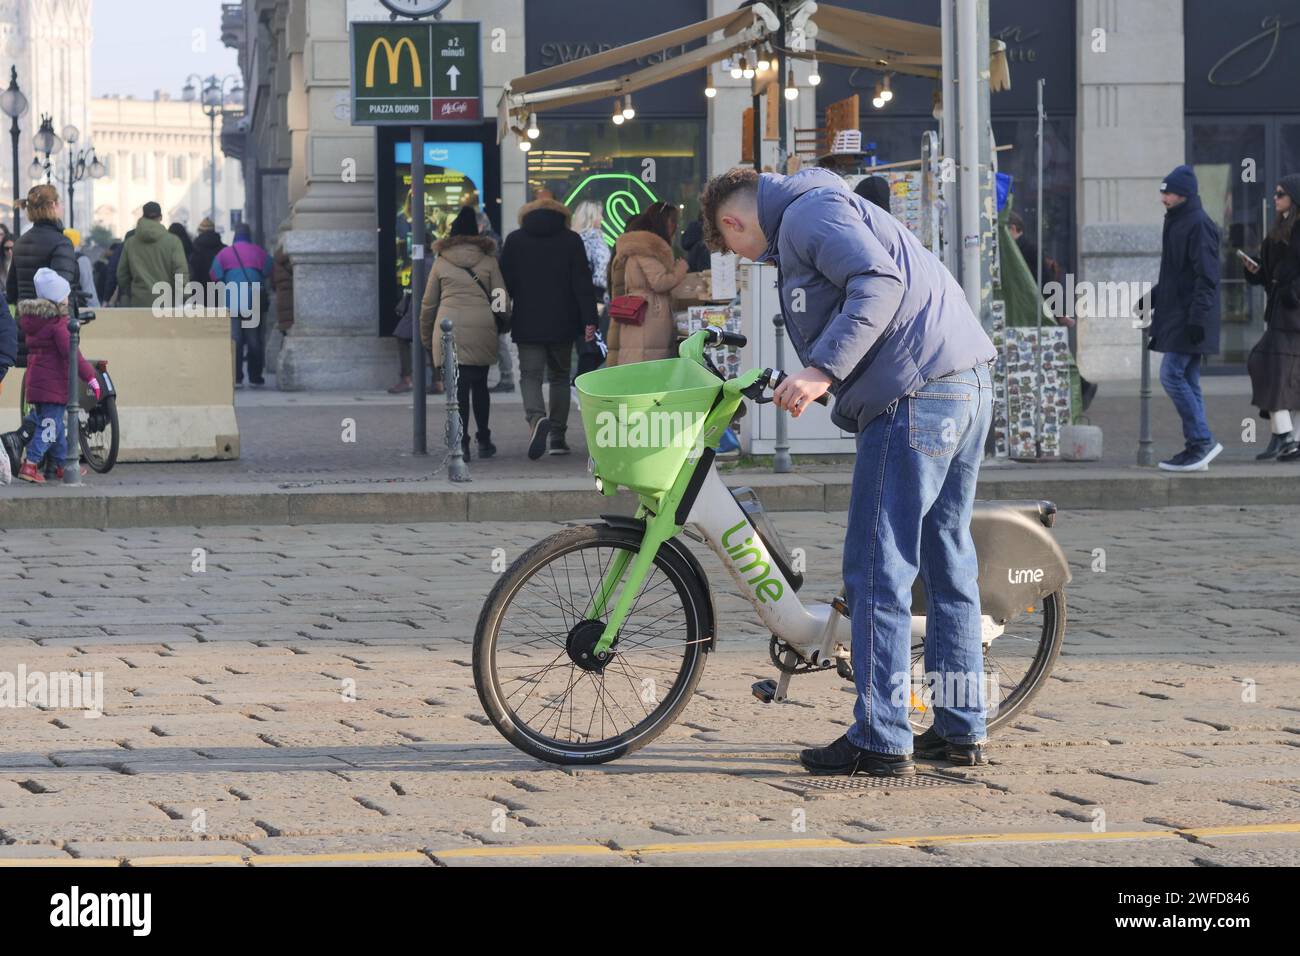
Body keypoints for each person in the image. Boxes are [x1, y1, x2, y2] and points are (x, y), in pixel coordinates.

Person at [701, 166, 997, 776]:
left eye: (735, 247)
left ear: (733, 222)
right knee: (946, 561)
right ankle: (960, 727)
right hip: (962, 382)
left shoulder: (808, 214)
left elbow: (877, 284)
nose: (750, 258)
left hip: (912, 396)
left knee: (877, 567)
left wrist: (821, 372)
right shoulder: (824, 204)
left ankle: (882, 737)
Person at [499, 193, 598, 459]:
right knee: (559, 377)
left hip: (527, 320)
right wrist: (590, 319)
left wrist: (499, 316)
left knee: (530, 375)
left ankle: (536, 419)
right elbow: (582, 284)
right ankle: (557, 436)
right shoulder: (571, 240)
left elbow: (502, 284)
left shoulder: (515, 240)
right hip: (563, 322)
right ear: (562, 216)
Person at [1149, 165, 1223, 472]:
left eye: (1168, 193)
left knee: (1172, 375)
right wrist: (1151, 298)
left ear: (1184, 195)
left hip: (1189, 317)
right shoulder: (1177, 221)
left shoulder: (1198, 224)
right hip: (1180, 314)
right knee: (1188, 379)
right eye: (1163, 192)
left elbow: (1206, 277)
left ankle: (1202, 441)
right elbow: (1175, 274)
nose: (1163, 198)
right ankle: (1198, 447)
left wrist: (1197, 319)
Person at [421, 207, 505, 460]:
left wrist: (427, 336)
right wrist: (503, 322)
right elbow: (500, 298)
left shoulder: (441, 262)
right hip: (482, 327)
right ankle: (484, 439)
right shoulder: (489, 261)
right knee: (480, 385)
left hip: (448, 330)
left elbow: (428, 304)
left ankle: (462, 444)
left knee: (457, 390)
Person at [15, 268, 99, 483]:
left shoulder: (36, 321)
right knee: (50, 427)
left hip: (37, 380)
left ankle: (62, 464)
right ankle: (30, 464)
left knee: (55, 424)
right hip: (53, 383)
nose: (68, 297)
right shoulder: (58, 325)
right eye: (65, 294)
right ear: (57, 298)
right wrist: (90, 377)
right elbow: (73, 355)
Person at [1244, 173, 1300, 461]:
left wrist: (1292, 292)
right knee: (1274, 371)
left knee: (1271, 368)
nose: (1275, 198)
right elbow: (1269, 275)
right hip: (1280, 314)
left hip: (1292, 314)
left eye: (1281, 193)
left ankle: (1288, 437)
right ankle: (1286, 437)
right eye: (1275, 194)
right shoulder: (1278, 229)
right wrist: (1255, 271)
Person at [606, 201, 688, 367]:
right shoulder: (646, 250)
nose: (675, 228)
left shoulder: (637, 248)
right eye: (673, 223)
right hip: (648, 316)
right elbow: (659, 282)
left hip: (640, 315)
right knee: (646, 370)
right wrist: (681, 269)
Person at [6, 185, 80, 367]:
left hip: (25, 327)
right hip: (54, 330)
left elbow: (11, 291)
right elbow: (60, 291)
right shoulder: (62, 243)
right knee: (57, 388)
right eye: (60, 202)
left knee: (33, 383)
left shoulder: (20, 243)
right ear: (53, 205)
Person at [211, 223, 272, 388]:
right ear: (249, 235)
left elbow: (215, 275)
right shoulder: (258, 252)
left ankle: (236, 377)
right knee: (254, 339)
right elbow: (268, 270)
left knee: (235, 339)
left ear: (235, 236)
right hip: (253, 300)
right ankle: (255, 377)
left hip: (233, 300)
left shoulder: (224, 253)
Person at [115, 201, 189, 308]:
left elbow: (121, 274)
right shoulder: (173, 242)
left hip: (139, 303)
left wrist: (131, 292)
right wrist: (183, 298)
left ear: (143, 216)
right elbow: (180, 273)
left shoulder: (130, 243)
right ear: (161, 217)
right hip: (167, 303)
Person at [62, 229, 100, 308]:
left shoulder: (57, 257)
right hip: (78, 307)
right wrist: (96, 308)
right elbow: (88, 287)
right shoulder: (81, 259)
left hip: (61, 306)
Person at [189, 218, 224, 291]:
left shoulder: (193, 249)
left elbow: (192, 274)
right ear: (214, 230)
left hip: (199, 294)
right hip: (219, 294)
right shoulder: (224, 250)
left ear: (200, 231)